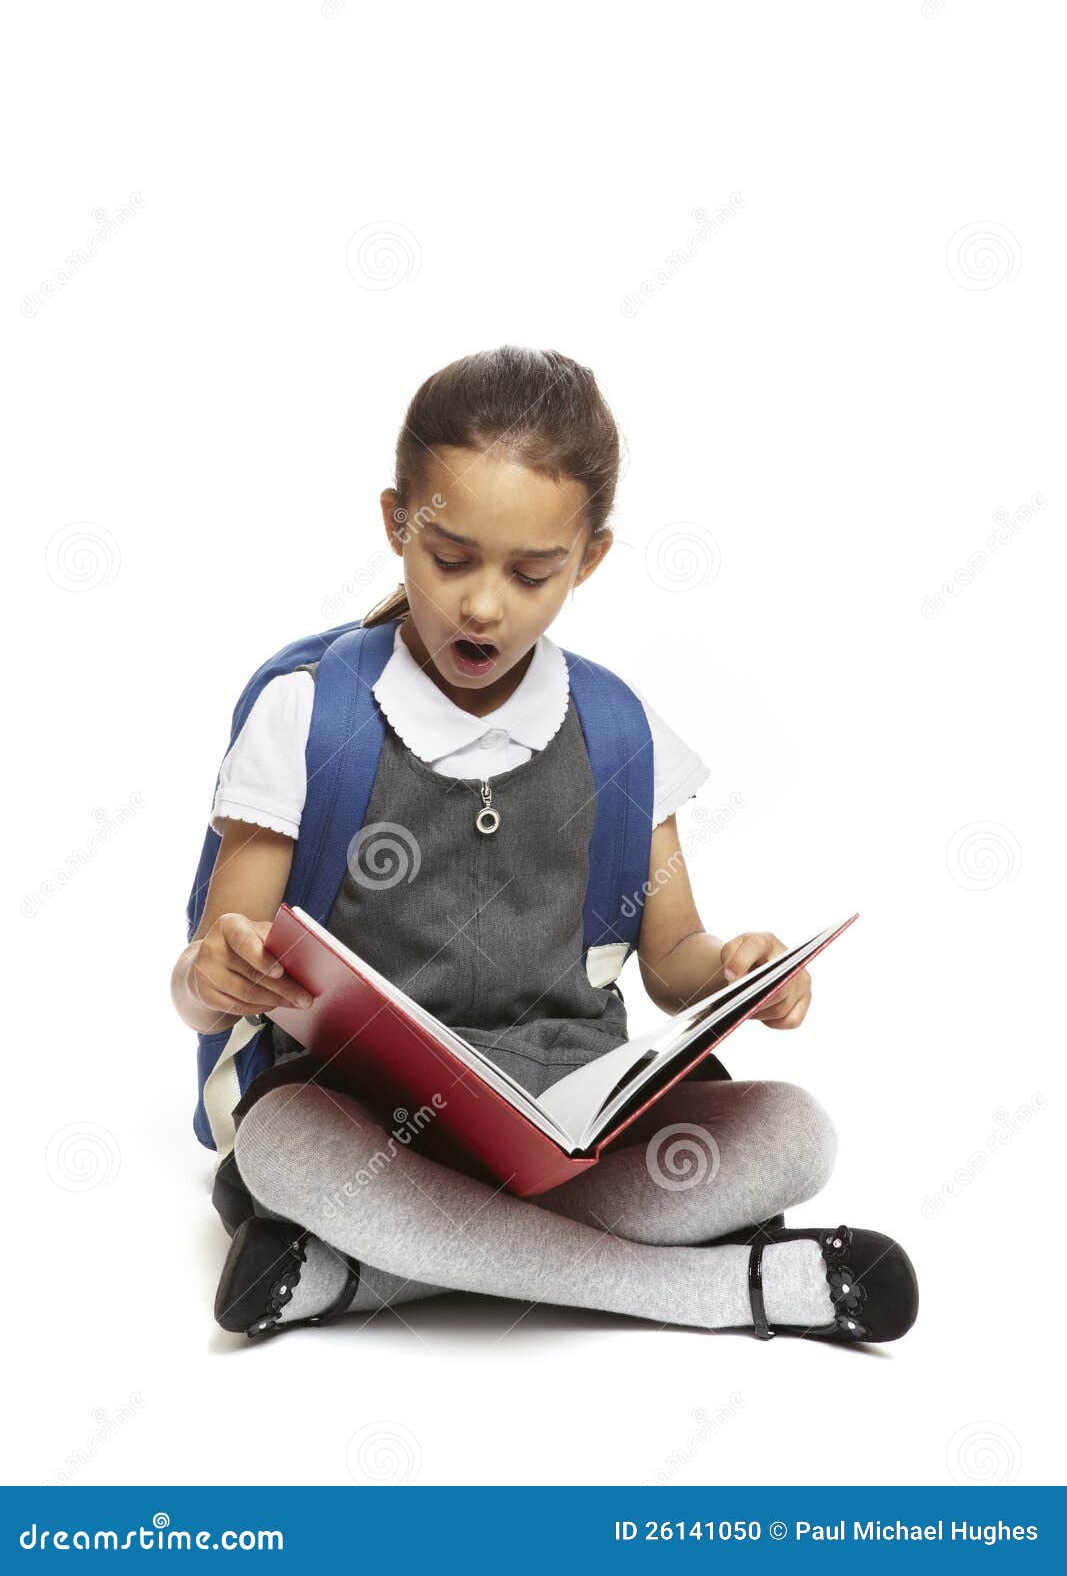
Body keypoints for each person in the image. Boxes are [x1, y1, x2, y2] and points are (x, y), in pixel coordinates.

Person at [171, 345, 918, 1345]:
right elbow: (204, 980)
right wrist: (213, 974)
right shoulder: (307, 716)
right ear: (396, 524)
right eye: (449, 559)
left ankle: (357, 1273)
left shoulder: (617, 730)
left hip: (569, 1117)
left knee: (792, 1133)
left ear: (590, 559)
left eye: (532, 573)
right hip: (369, 1114)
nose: (484, 604)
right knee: (283, 1144)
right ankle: (719, 1291)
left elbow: (672, 960)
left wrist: (735, 969)